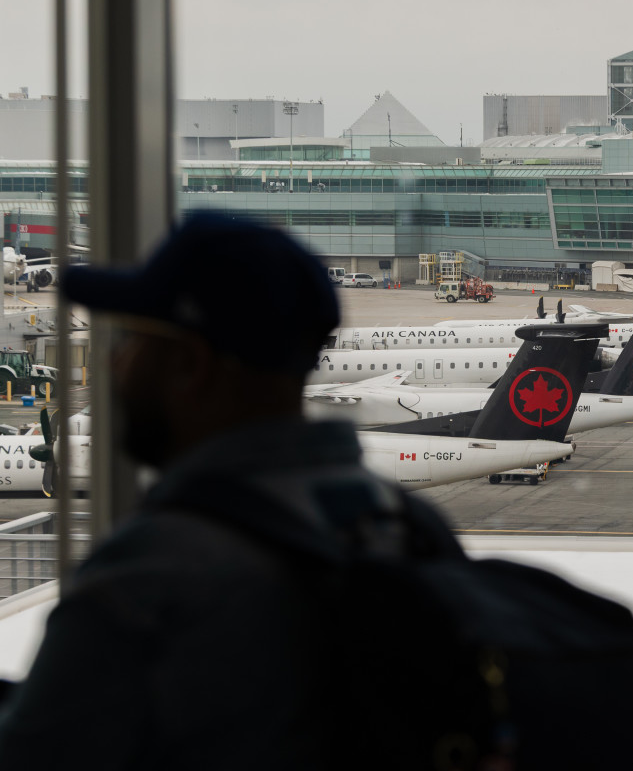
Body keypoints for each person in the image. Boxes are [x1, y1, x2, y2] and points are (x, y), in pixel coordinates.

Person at [0, 213, 418, 768]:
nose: (113, 363)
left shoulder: (146, 575)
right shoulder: (408, 528)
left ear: (189, 365)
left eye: (129, 341)